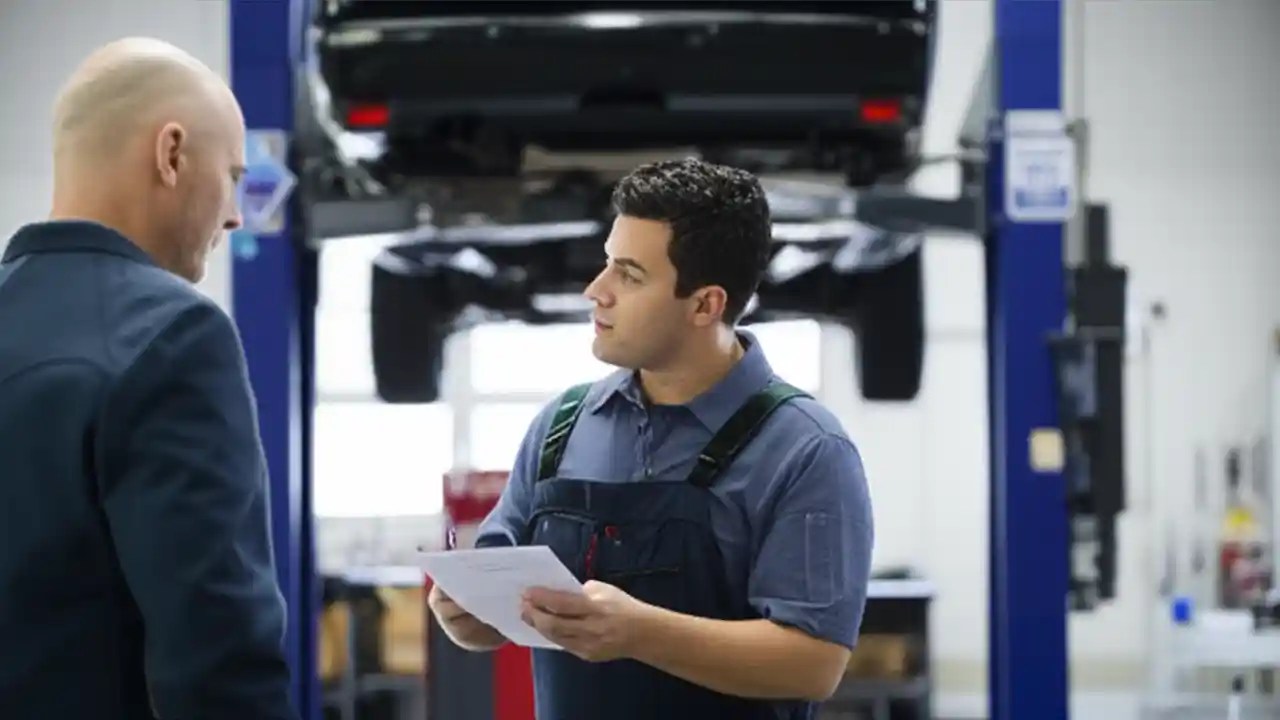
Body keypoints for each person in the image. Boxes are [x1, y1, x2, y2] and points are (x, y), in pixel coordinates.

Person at [429, 158, 875, 719]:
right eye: (606, 264)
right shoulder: (560, 428)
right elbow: (494, 592)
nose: (596, 291)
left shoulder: (805, 450)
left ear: (705, 304)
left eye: (630, 275)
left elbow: (813, 663)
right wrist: (467, 616)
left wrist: (639, 633)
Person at [0, 38, 296, 719]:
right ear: (171, 153)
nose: (231, 215)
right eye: (231, 176)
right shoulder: (173, 335)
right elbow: (218, 655)